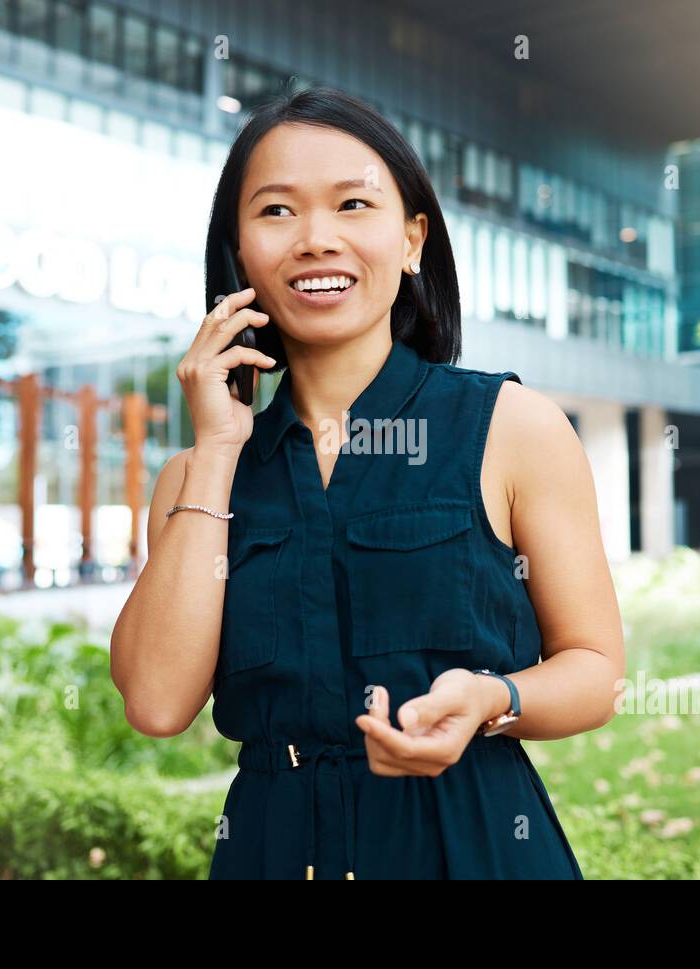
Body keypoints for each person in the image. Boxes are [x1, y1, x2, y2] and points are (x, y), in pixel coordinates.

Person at [110, 86, 625, 879]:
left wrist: (495, 700)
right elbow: (154, 702)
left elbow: (593, 668)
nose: (317, 239)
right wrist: (216, 445)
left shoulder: (512, 427)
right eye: (276, 211)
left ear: (413, 237)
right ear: (239, 251)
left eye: (353, 204)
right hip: (270, 852)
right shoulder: (195, 477)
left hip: (471, 843)